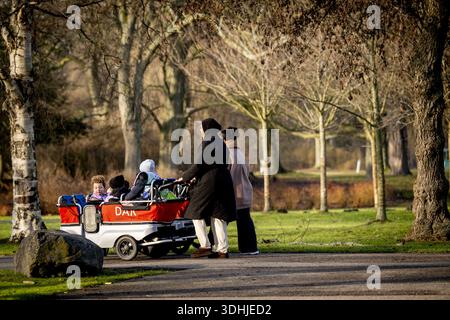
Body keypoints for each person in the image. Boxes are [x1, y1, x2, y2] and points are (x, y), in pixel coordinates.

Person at [177, 118, 237, 259]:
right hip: (223, 180)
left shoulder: (208, 143)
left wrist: (184, 177)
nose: (200, 131)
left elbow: (199, 164)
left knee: (194, 212)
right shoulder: (221, 144)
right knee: (218, 215)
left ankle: (205, 245)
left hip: (210, 183)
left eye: (201, 128)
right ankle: (222, 249)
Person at [222, 127, 259, 255]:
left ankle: (213, 244)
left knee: (221, 219)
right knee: (244, 220)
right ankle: (249, 247)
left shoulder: (228, 154)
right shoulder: (240, 153)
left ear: (225, 139)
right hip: (245, 191)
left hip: (235, 193)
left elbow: (227, 175)